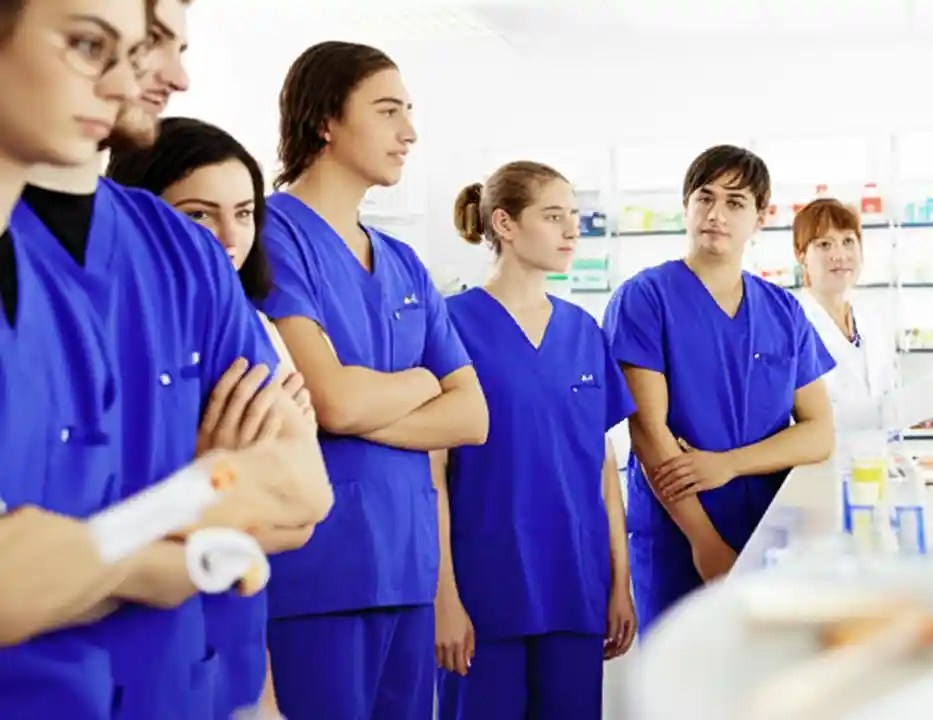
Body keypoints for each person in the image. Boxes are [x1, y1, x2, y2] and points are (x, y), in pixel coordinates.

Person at [20, 0, 333, 717]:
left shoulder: (183, 256)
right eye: (95, 42)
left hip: (195, 681)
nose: (172, 73)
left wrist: (102, 543)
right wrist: (205, 499)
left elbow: (301, 491)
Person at [258, 40, 488, 720]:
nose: (409, 132)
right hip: (317, 569)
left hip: (406, 563)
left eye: (408, 113)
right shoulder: (272, 238)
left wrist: (361, 404)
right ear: (325, 120)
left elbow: (472, 416)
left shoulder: (403, 260)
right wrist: (423, 380)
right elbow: (328, 400)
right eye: (388, 111)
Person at [106, 116, 314, 719]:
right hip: (128, 640)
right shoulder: (104, 326)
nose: (226, 236)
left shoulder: (257, 329)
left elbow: (295, 512)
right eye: (199, 214)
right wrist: (217, 477)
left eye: (244, 213)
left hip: (233, 634)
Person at [602, 145, 836, 634]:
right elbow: (649, 434)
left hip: (770, 532)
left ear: (760, 218)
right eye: (704, 198)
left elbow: (819, 434)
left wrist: (727, 463)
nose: (716, 214)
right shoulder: (645, 299)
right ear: (686, 205)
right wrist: (705, 543)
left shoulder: (782, 310)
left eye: (735, 203)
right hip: (679, 536)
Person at [433, 162, 637, 720]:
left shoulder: (583, 331)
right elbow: (433, 475)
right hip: (485, 590)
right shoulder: (450, 326)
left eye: (574, 216)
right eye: (553, 217)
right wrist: (443, 596)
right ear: (504, 223)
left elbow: (601, 465)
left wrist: (620, 581)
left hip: (575, 585)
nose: (572, 230)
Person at [0, 1, 147, 716]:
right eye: (88, 45)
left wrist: (79, 556)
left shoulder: (40, 282)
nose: (123, 87)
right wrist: (208, 497)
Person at [792, 198, 933, 466]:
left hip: (879, 473)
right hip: (823, 476)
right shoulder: (791, 326)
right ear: (801, 255)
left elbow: (889, 408)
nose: (840, 255)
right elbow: (825, 419)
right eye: (824, 244)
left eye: (848, 241)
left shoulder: (871, 321)